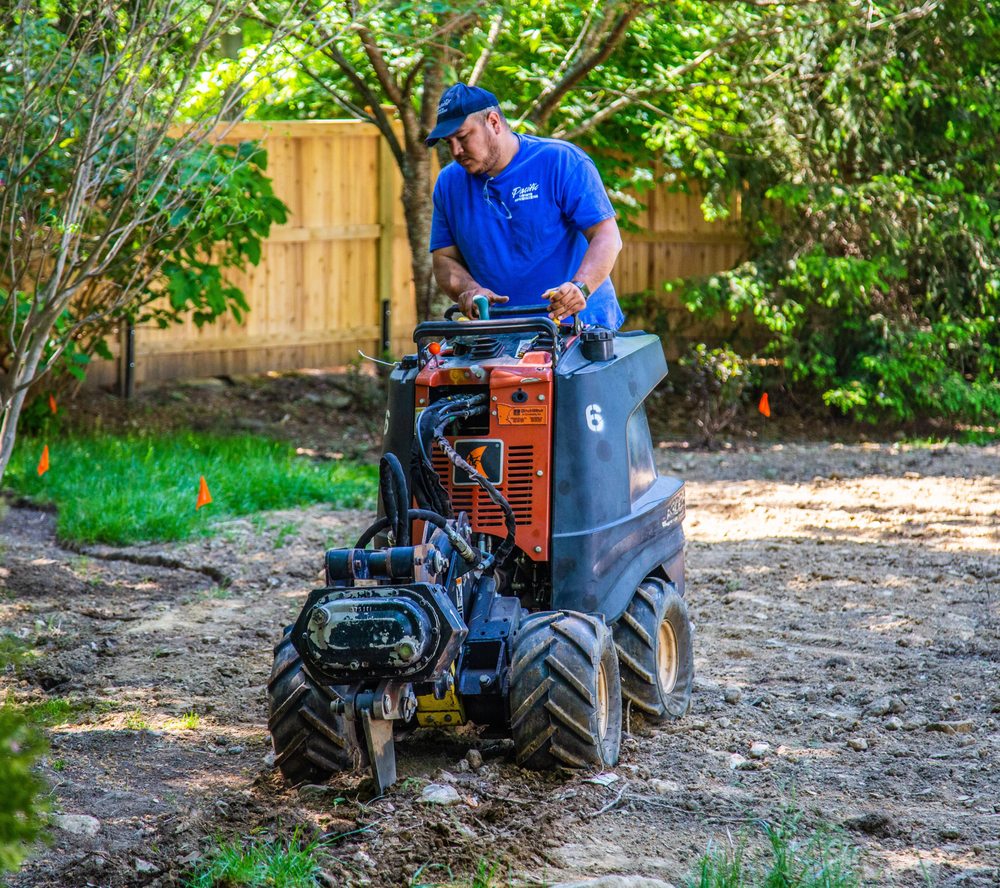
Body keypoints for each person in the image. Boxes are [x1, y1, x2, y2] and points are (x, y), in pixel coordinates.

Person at [426, 82, 624, 329]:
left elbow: (606, 236)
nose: (456, 150)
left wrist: (580, 287)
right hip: (498, 335)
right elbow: (444, 260)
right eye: (448, 142)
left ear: (494, 122)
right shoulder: (449, 183)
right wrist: (469, 289)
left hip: (580, 328)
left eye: (463, 137)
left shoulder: (560, 161)